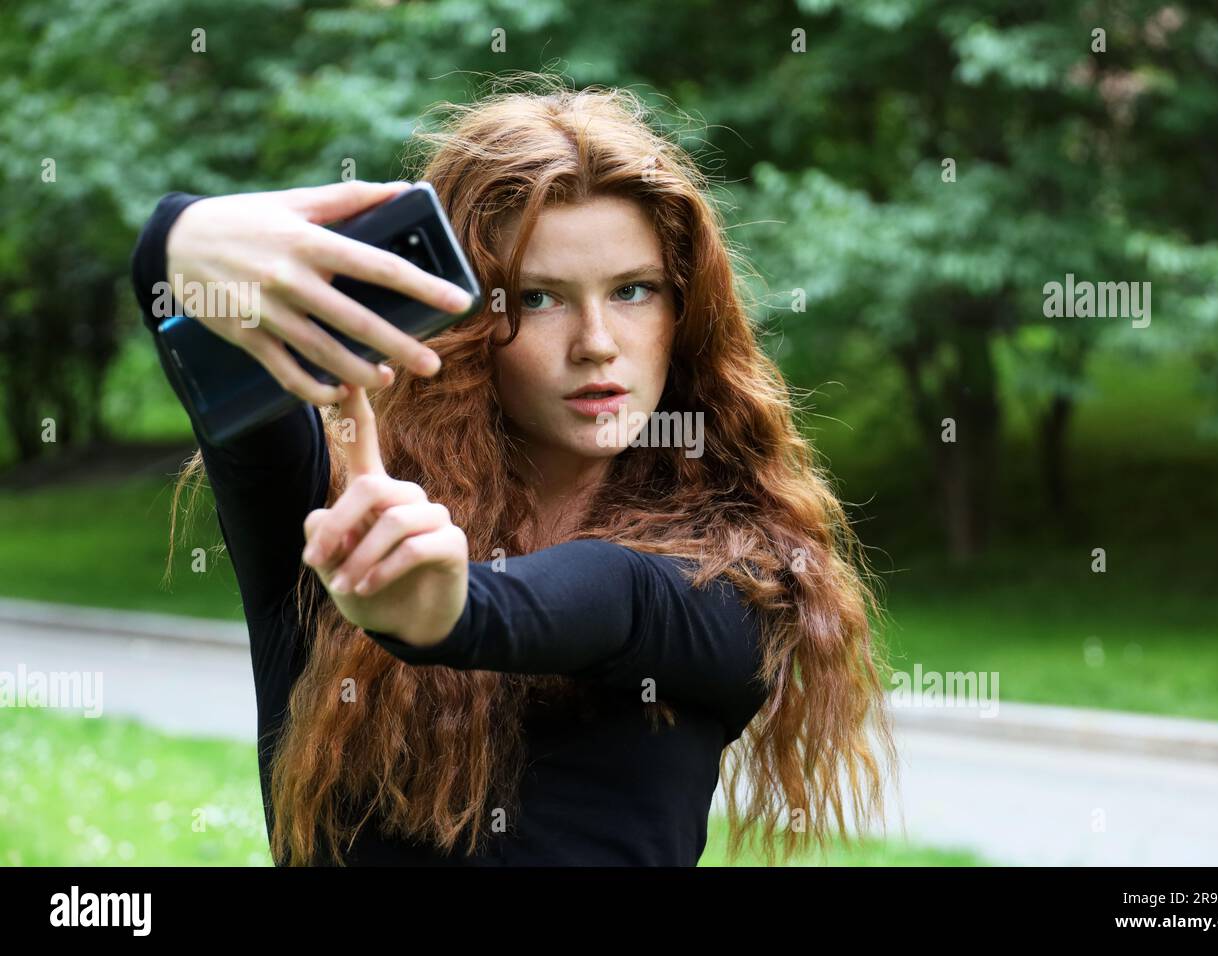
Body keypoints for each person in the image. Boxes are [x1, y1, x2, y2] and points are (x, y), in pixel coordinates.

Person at [131, 76, 898, 866]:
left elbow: (615, 597)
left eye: (633, 291)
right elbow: (211, 344)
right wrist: (173, 239)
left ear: (683, 311)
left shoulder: (743, 570)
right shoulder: (339, 515)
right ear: (458, 318)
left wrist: (444, 608)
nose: (597, 341)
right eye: (537, 299)